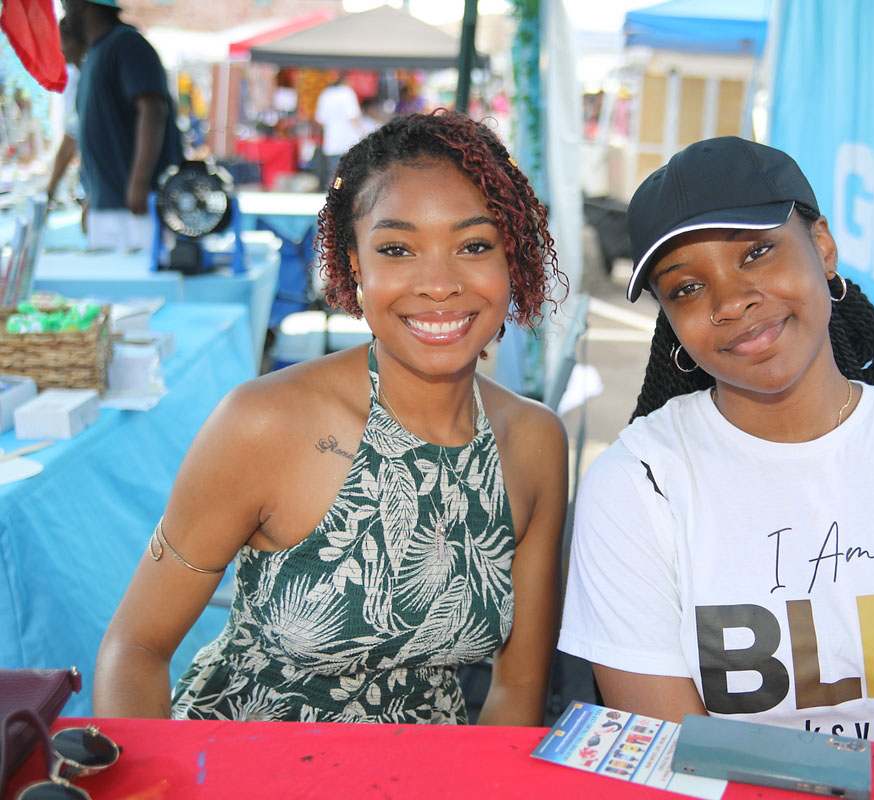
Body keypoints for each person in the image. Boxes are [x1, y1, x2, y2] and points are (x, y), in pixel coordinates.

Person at [558, 137, 874, 745]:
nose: (731, 300)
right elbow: (670, 755)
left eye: (757, 252)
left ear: (822, 246)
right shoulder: (637, 483)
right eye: (686, 287)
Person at [94, 111, 569, 725]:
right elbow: (134, 648)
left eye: (473, 245)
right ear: (353, 267)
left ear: (513, 258)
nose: (439, 284)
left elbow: (518, 690)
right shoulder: (264, 423)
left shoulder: (533, 444)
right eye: (397, 249)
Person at [63, 0, 182, 251]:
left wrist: (139, 181)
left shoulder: (127, 44)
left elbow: (153, 110)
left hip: (136, 208)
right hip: (109, 206)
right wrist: (94, 194)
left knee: (139, 288)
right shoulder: (97, 52)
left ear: (82, 6)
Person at [44, 18, 87, 207]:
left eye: (61, 41)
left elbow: (71, 138)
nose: (59, 49)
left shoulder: (84, 77)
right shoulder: (78, 75)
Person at [314, 73, 364, 188]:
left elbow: (320, 119)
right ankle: (345, 193)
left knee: (335, 173)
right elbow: (353, 117)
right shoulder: (347, 93)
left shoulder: (326, 94)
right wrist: (361, 133)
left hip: (332, 141)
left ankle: (335, 191)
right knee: (349, 172)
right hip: (348, 140)